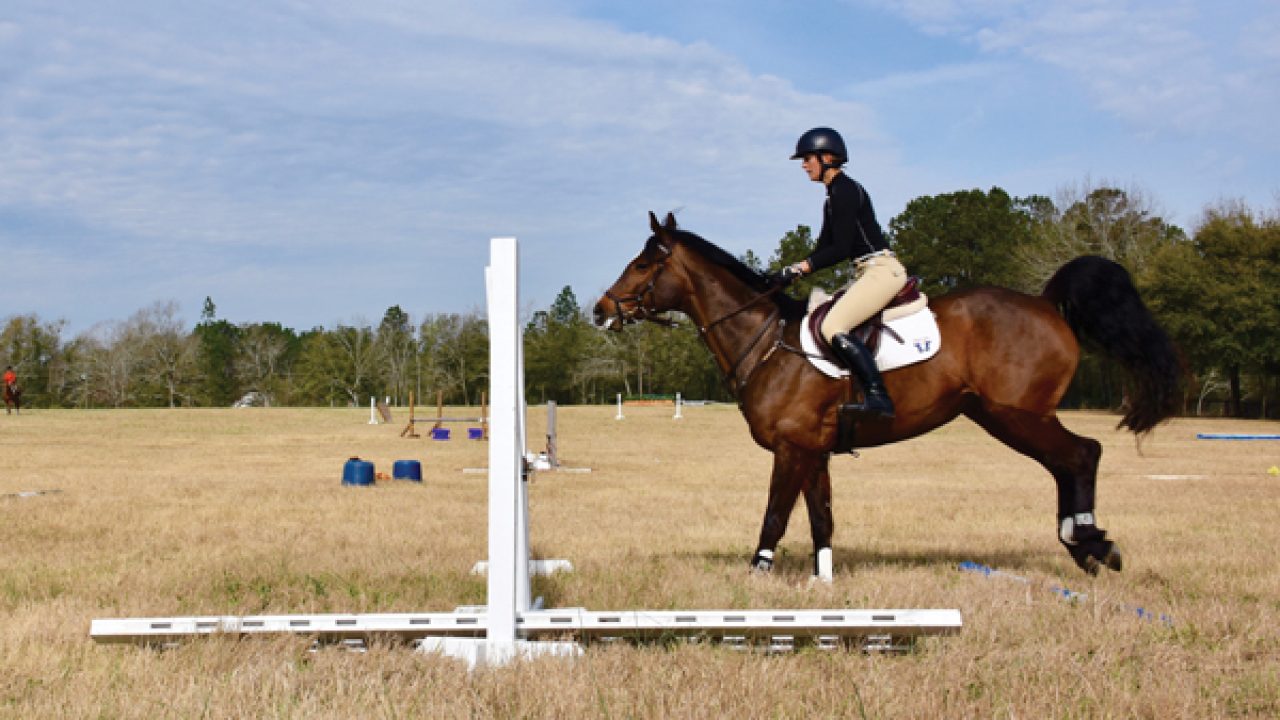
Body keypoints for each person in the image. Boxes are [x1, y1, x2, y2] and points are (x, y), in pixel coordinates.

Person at [769, 127, 906, 418]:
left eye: (808, 158)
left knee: (833, 327)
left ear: (828, 157)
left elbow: (841, 247)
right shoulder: (833, 195)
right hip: (866, 271)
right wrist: (788, 274)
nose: (804, 165)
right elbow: (823, 248)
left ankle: (879, 397)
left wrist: (799, 268)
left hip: (881, 270)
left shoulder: (844, 191)